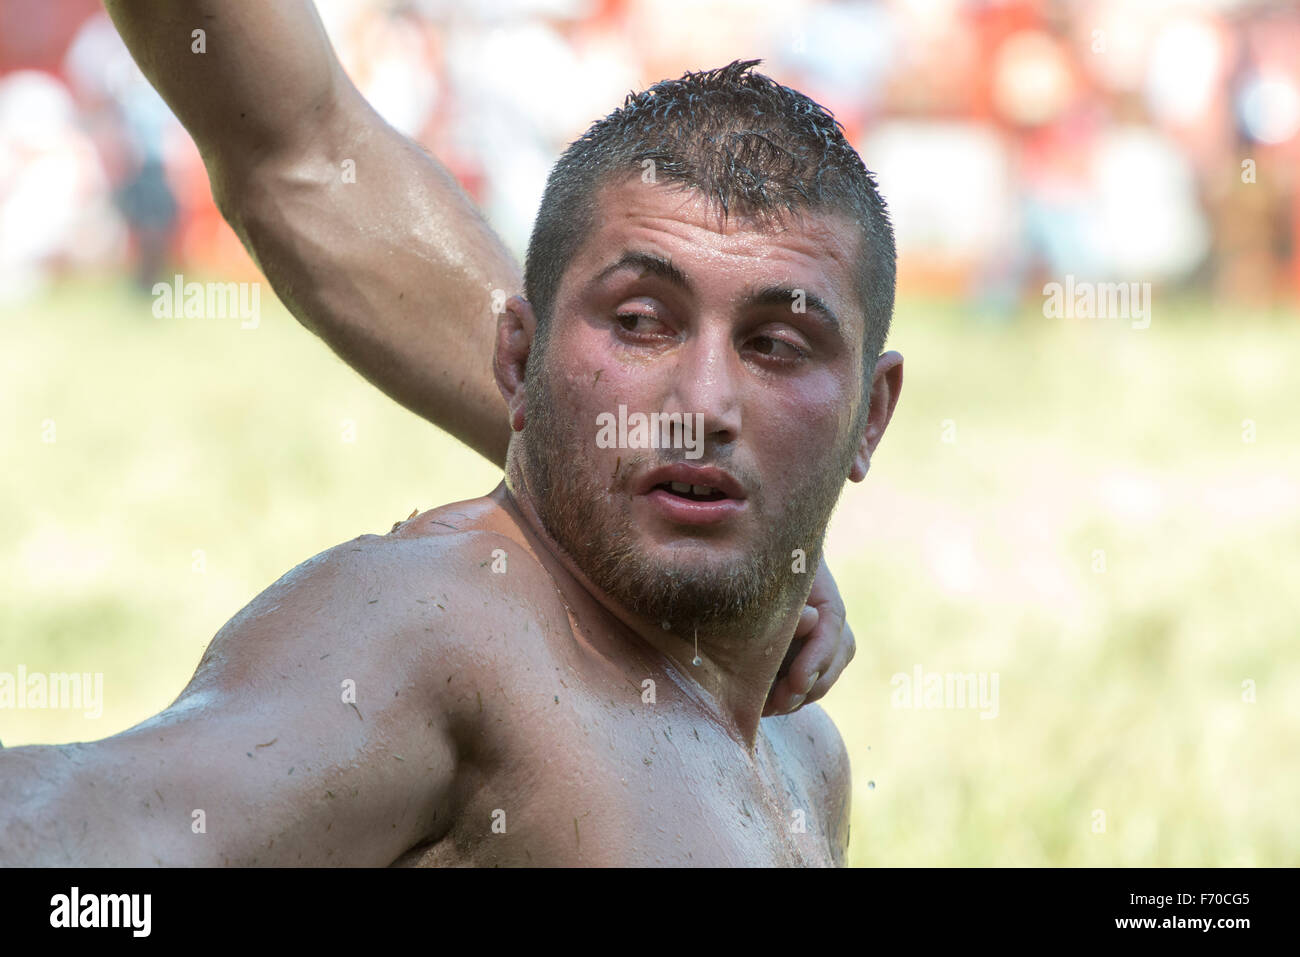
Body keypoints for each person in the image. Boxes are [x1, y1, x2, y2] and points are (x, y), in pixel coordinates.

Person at [0, 3, 901, 866]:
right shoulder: (439, 633)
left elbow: (308, 147)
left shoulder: (802, 749)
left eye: (777, 345)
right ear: (516, 357)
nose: (703, 404)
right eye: (637, 320)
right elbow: (100, 831)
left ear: (872, 415)